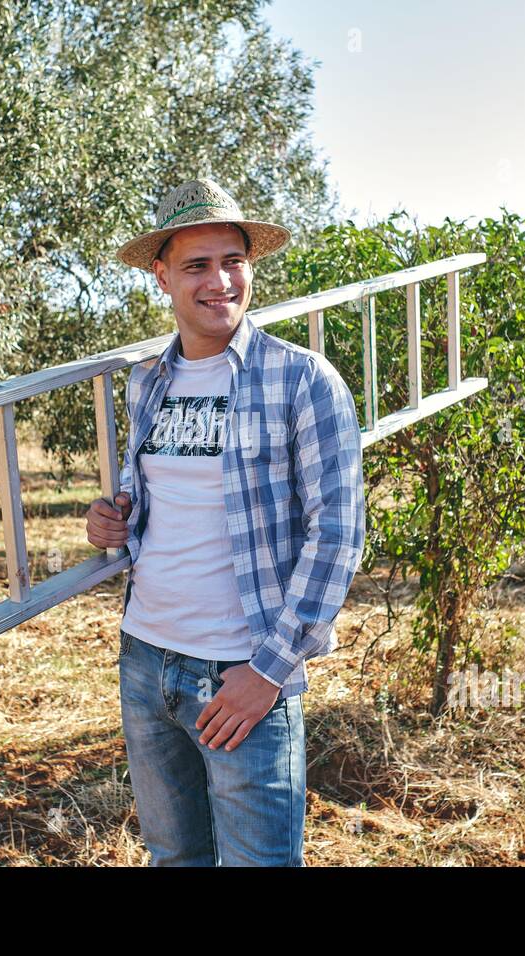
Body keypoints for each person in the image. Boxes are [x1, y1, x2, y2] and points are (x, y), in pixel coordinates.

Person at [85, 178, 365, 866]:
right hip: (147, 660)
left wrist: (268, 671)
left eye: (232, 261)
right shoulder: (148, 382)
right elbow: (147, 493)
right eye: (196, 265)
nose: (220, 281)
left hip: (243, 671)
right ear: (162, 278)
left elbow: (339, 535)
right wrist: (114, 520)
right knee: (174, 858)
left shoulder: (303, 380)